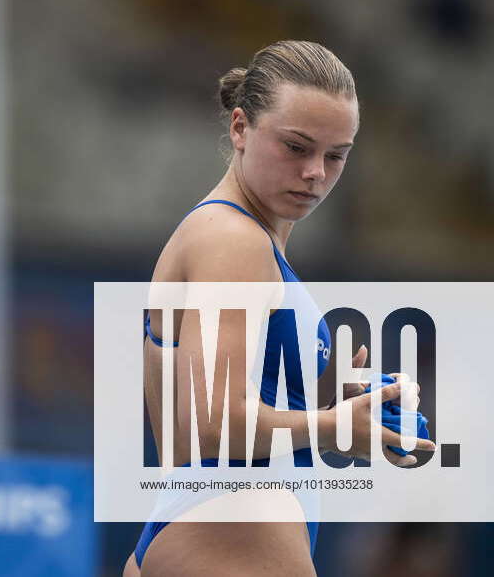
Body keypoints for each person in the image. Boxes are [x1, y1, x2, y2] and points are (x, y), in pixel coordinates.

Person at [123, 40, 436, 576]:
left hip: (208, 524)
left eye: (336, 155)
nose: (316, 171)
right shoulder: (233, 239)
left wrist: (326, 400)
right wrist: (332, 424)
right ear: (240, 128)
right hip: (234, 526)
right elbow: (213, 423)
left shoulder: (241, 241)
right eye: (296, 147)